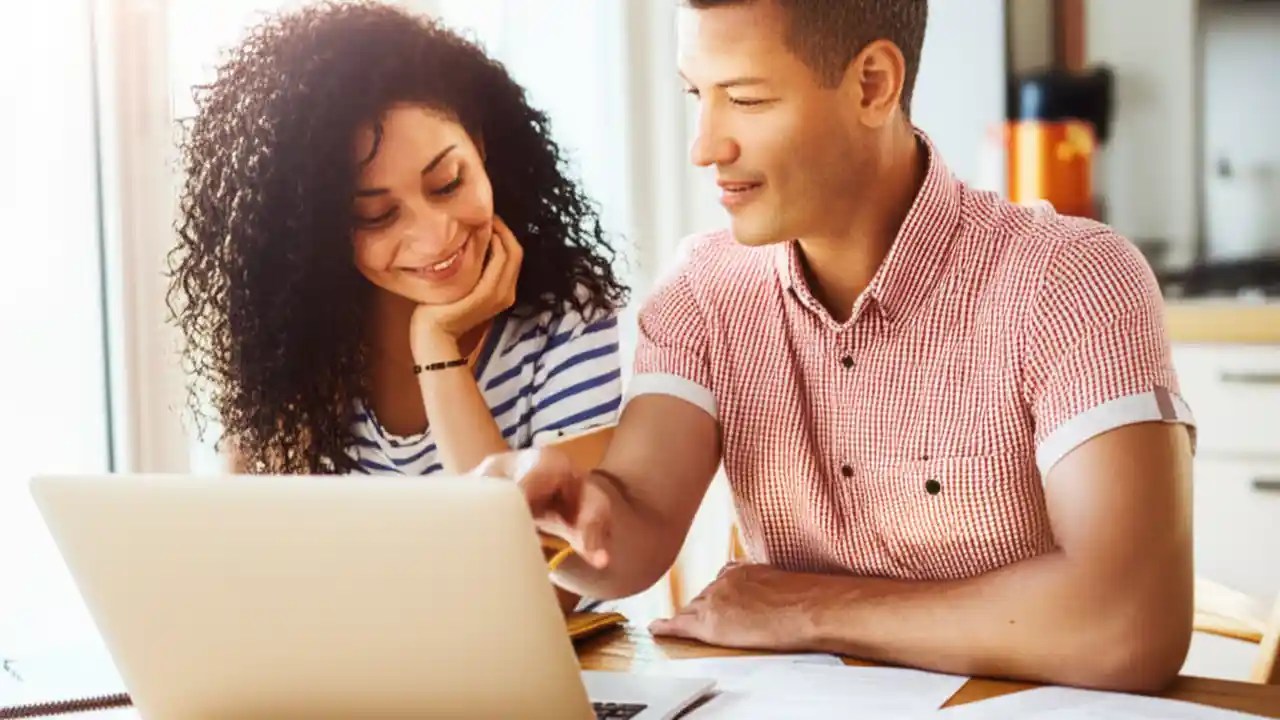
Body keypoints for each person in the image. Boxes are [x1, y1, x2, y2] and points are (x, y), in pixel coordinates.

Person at [479, 0, 1197, 691]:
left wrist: (807, 608)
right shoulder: (704, 289)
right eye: (697, 93)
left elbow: (1127, 624)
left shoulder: (1071, 280)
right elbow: (630, 537)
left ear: (873, 85)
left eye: (747, 99)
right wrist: (566, 516)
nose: (705, 146)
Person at [167, 2, 628, 610]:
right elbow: (252, 558)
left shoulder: (566, 316)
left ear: (481, 148)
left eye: (448, 183)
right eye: (377, 215)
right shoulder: (296, 337)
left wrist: (437, 349)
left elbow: (539, 591)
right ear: (317, 228)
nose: (436, 236)